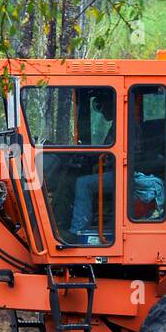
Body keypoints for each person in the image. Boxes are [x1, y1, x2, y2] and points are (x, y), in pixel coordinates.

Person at [69, 92, 115, 240]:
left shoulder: (127, 124)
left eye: (103, 105)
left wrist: (104, 163)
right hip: (114, 170)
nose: (102, 110)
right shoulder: (117, 125)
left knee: (83, 184)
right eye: (99, 106)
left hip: (125, 175)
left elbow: (126, 154)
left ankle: (77, 230)